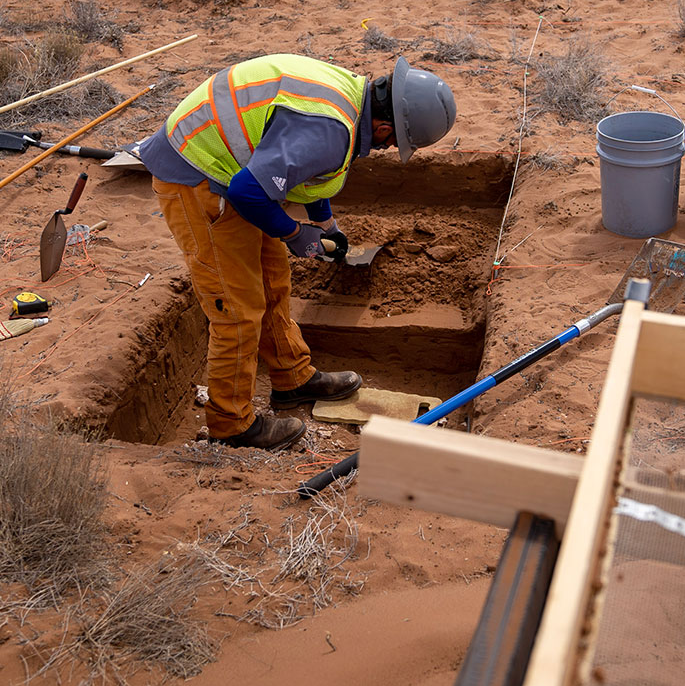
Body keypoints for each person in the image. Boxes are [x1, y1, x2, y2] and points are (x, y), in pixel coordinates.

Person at [136, 54, 457, 452]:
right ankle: (231, 424)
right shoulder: (329, 131)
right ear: (386, 126)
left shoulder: (350, 98)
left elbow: (303, 165)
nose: (386, 149)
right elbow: (249, 192)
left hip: (234, 168)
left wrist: (323, 224)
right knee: (238, 309)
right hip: (198, 173)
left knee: (273, 280)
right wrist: (294, 233)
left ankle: (291, 377)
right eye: (392, 144)